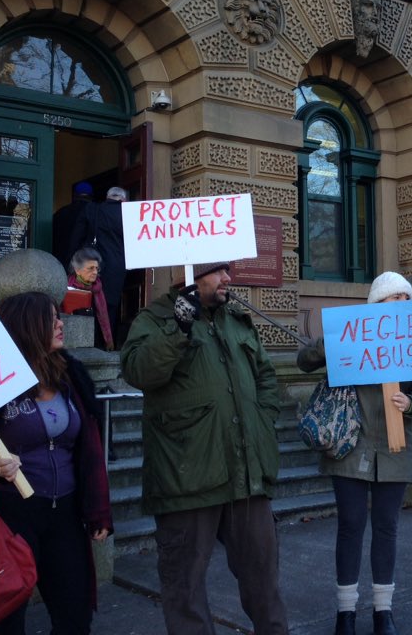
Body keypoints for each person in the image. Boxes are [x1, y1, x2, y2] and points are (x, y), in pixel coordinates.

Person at [0, 291, 112, 634]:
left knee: (75, 616)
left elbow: (89, 448)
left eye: (59, 317)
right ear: (28, 326)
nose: (61, 324)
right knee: (4, 620)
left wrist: (98, 508)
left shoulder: (70, 376)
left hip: (66, 515)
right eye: (51, 318)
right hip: (9, 517)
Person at [120, 261, 288, 635]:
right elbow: (138, 371)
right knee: (185, 589)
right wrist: (178, 326)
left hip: (246, 473)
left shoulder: (236, 320)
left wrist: (262, 421)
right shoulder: (155, 317)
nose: (229, 278)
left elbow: (265, 377)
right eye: (219, 271)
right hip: (186, 474)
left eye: (228, 270)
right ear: (189, 273)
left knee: (264, 581)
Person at [297, 271, 412, 635]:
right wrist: (335, 338)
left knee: (387, 528)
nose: (403, 304)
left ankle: (383, 611)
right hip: (350, 444)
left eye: (406, 298)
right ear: (376, 303)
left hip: (394, 446)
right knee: (351, 527)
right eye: (395, 298)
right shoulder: (353, 334)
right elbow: (304, 360)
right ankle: (346, 613)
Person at [71, 186, 127, 339]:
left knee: (90, 302)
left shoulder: (92, 210)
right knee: (111, 306)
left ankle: (90, 339)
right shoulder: (129, 213)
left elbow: (76, 238)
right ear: (123, 200)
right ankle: (109, 342)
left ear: (107, 197)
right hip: (118, 266)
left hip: (92, 264)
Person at [67, 246, 114, 350]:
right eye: (90, 268)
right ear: (77, 270)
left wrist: (108, 340)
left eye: (97, 268)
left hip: (97, 341)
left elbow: (103, 317)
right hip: (74, 342)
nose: (95, 272)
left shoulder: (98, 289)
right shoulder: (67, 288)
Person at [52, 181, 93, 267]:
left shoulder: (61, 212)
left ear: (74, 194)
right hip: (84, 263)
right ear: (91, 195)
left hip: (59, 262)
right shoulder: (94, 212)